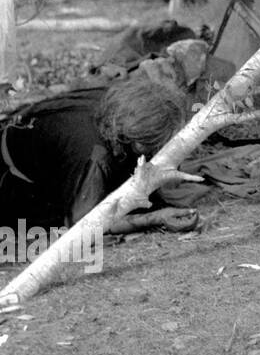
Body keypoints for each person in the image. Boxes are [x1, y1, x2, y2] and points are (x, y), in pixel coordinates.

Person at [0, 78, 198, 236]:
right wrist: (154, 218)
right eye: (156, 144)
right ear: (136, 138)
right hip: (11, 180)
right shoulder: (95, 156)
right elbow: (84, 225)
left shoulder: (115, 101)